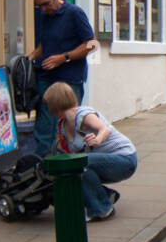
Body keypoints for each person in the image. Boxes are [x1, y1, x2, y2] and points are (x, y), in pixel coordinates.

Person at [44, 81, 137, 221]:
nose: (47, 107)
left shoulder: (83, 114)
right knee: (73, 167)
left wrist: (97, 140)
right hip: (105, 162)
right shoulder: (62, 125)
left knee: (80, 163)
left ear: (55, 102)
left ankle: (102, 209)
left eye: (48, 103)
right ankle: (105, 195)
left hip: (125, 159)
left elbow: (105, 129)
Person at [27, 0, 96, 156]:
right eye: (39, 6)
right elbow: (45, 43)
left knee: (70, 122)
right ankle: (43, 162)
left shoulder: (74, 13)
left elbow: (92, 44)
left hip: (69, 78)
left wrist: (64, 57)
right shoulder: (45, 16)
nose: (43, 9)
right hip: (47, 77)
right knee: (44, 124)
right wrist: (32, 56)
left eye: (46, 4)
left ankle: (72, 161)